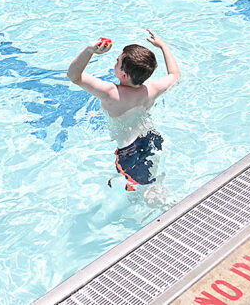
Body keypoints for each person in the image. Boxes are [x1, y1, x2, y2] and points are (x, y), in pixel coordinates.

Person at [66, 31, 181, 194]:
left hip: (130, 151)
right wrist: (163, 46)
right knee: (152, 181)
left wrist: (89, 50)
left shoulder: (110, 92)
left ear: (124, 75)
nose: (115, 62)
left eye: (117, 61)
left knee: (142, 191)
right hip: (152, 138)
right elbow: (175, 75)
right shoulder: (152, 89)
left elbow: (74, 76)